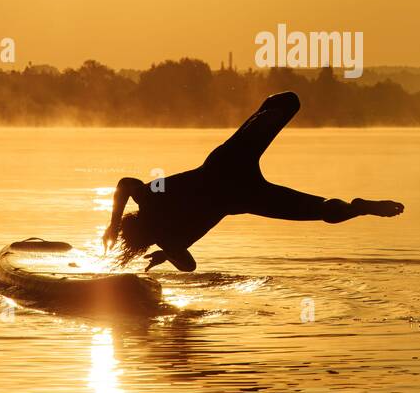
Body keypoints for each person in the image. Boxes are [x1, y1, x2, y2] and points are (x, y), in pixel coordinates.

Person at [102, 92, 404, 271]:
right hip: (227, 166)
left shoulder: (172, 239)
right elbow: (126, 183)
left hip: (244, 194)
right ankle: (264, 112)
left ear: (145, 241)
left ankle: (359, 208)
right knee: (288, 101)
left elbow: (189, 265)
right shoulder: (152, 199)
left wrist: (166, 253)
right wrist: (112, 223)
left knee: (324, 211)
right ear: (133, 218)